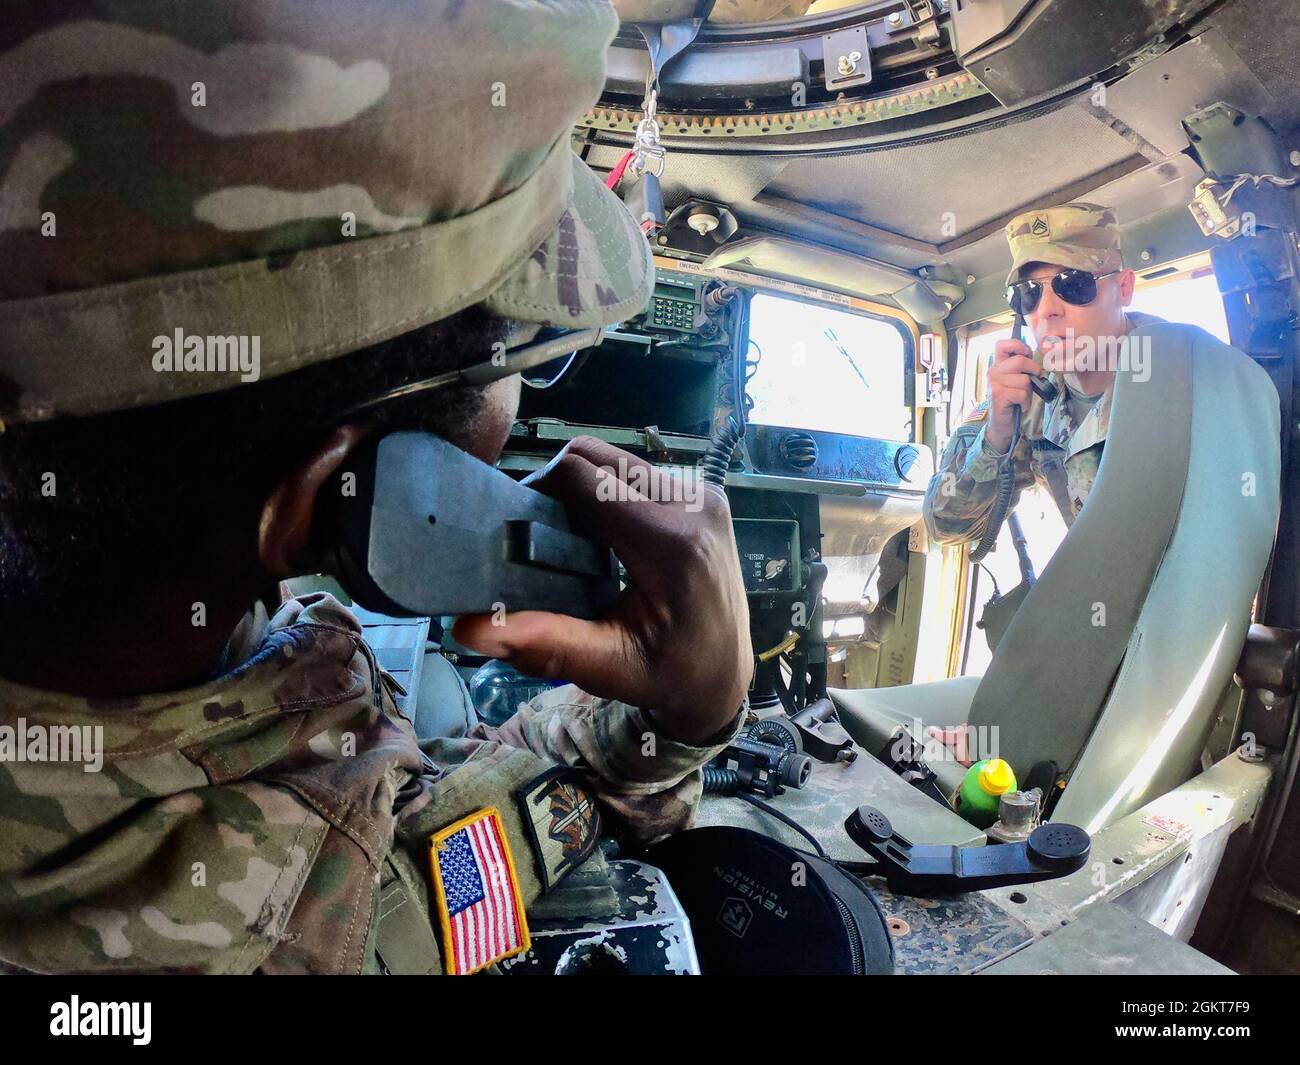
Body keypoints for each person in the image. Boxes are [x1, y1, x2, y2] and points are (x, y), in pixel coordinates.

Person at [0, 1, 750, 974]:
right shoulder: (307, 920)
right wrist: (681, 714)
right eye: (518, 355)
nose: (519, 402)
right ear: (320, 499)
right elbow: (452, 877)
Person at [924, 202, 1161, 545]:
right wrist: (997, 435)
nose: (1047, 310)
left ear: (1123, 288)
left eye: (1074, 284)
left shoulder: (1182, 373)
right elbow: (946, 527)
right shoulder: (1028, 394)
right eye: (1029, 293)